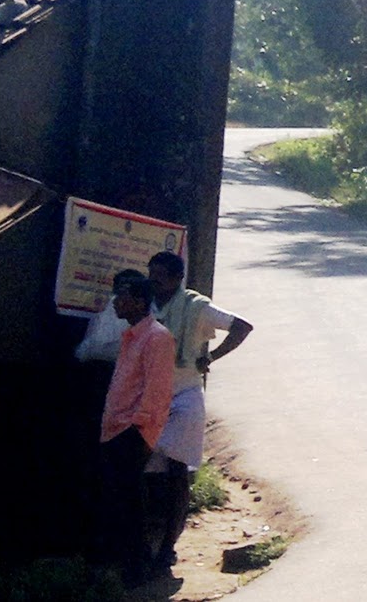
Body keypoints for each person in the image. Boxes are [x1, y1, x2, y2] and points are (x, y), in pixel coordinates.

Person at [144, 250, 254, 575]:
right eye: (152, 276)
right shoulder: (145, 303)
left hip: (184, 398)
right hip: (150, 398)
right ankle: (146, 542)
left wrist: (212, 357)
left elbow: (242, 327)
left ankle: (167, 549)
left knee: (177, 474)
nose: (155, 283)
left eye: (161, 278)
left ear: (177, 279)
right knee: (147, 474)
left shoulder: (196, 307)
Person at [96, 274, 176, 587]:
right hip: (118, 429)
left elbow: (157, 389)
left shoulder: (156, 337)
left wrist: (139, 428)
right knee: (123, 499)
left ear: (140, 301)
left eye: (123, 296)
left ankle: (136, 568)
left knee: (130, 501)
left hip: (132, 431)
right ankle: (130, 563)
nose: (116, 301)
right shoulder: (132, 335)